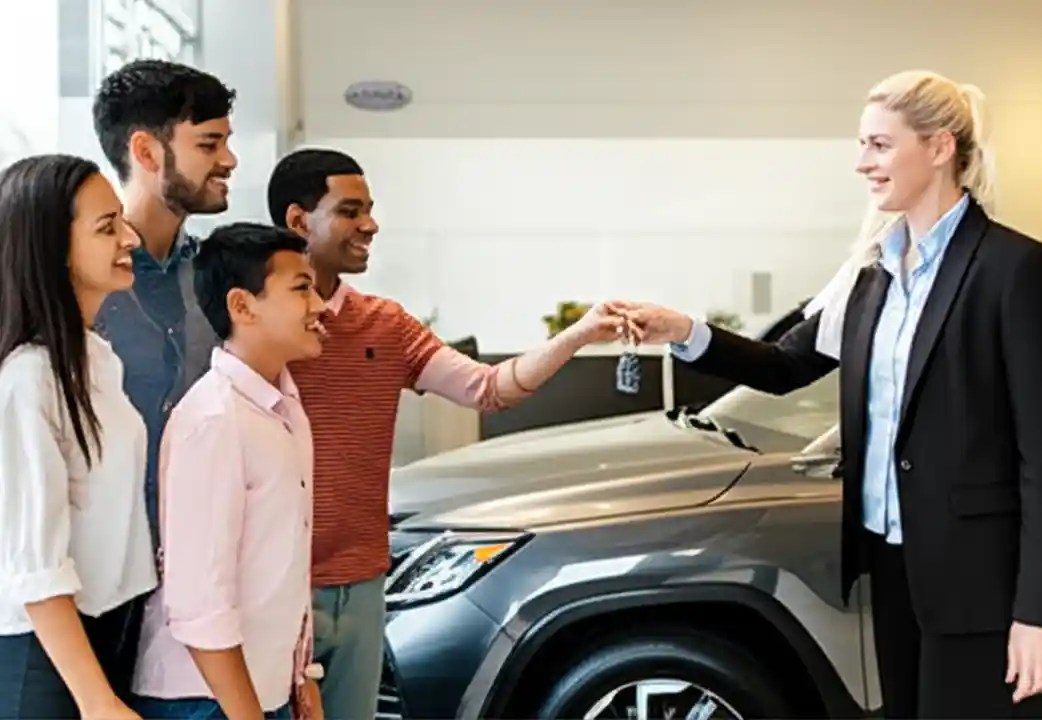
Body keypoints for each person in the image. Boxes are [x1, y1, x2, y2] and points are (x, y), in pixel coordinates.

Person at [621, 70, 1042, 718]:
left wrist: (1036, 614)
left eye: (879, 145)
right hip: (890, 563)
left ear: (941, 147)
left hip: (974, 580)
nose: (862, 163)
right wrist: (685, 331)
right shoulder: (874, 275)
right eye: (861, 145)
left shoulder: (1015, 269)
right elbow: (785, 366)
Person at [266, 147, 637, 719]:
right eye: (350, 210)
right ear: (298, 221)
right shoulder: (250, 322)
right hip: (273, 580)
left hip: (362, 583)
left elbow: (489, 388)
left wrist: (579, 334)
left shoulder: (384, 323)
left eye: (370, 209)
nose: (370, 224)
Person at [130, 223, 326, 719]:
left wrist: (301, 677)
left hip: (262, 691)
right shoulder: (214, 420)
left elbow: (278, 568)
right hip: (204, 700)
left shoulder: (282, 405)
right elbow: (199, 607)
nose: (320, 306)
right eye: (301, 289)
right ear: (242, 306)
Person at [0, 154, 154, 719]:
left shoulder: (98, 359)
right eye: (105, 226)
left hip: (107, 631)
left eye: (121, 220)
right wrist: (96, 701)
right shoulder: (26, 378)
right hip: (45, 655)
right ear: (52, 247)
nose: (128, 237)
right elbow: (34, 564)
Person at [91, 58, 238, 549]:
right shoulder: (75, 282)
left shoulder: (215, 276)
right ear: (146, 151)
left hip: (197, 563)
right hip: (96, 572)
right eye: (208, 144)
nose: (230, 160)